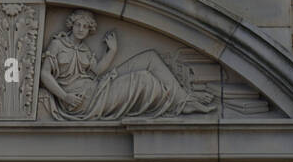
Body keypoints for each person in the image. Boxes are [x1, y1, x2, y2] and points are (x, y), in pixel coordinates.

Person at [39, 10, 215, 120]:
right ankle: (180, 104)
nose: (80, 29)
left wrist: (112, 51)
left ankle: (184, 98)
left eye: (85, 27)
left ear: (89, 30)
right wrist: (64, 96)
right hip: (83, 102)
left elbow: (98, 70)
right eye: (78, 24)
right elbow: (45, 74)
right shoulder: (58, 45)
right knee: (143, 79)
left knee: (150, 57)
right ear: (72, 24)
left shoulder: (84, 50)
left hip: (98, 87)